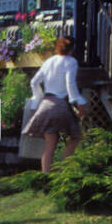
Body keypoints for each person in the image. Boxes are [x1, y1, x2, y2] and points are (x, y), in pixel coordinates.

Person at [21, 37, 87, 172]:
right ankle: (62, 171)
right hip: (60, 105)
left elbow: (34, 82)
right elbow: (70, 83)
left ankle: (46, 177)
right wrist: (78, 102)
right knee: (76, 136)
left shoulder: (49, 61)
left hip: (45, 105)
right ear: (72, 49)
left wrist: (38, 98)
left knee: (50, 147)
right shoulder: (71, 62)